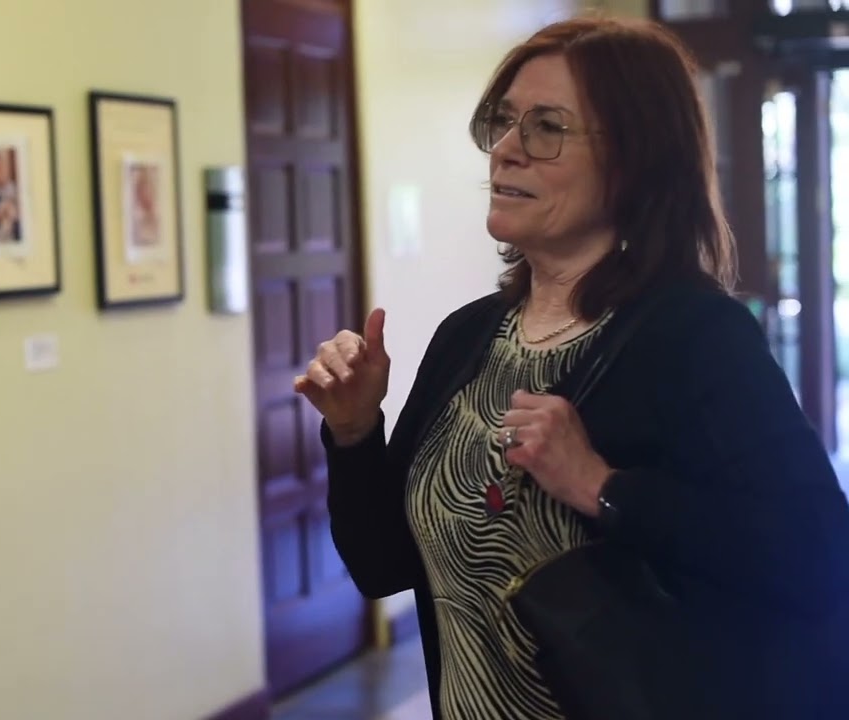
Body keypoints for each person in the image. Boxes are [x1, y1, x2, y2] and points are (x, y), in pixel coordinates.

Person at [295, 14, 849, 720]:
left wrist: (602, 486)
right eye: (503, 122)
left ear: (634, 163)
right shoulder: (468, 337)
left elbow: (817, 555)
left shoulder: (695, 336)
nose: (504, 151)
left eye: (547, 128)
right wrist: (353, 433)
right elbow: (383, 567)